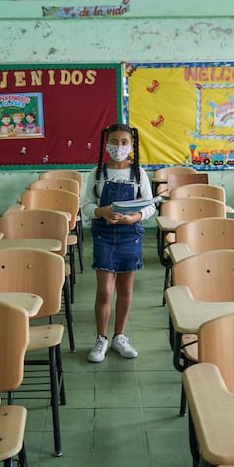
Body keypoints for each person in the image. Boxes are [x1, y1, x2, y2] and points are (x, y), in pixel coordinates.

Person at [81, 123, 155, 363]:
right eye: (114, 142)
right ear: (106, 144)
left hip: (129, 234)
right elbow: (86, 207)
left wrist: (134, 217)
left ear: (131, 146)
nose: (119, 147)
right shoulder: (97, 172)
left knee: (126, 290)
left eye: (124, 142)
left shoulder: (138, 173)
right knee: (104, 291)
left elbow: (149, 205)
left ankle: (119, 337)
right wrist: (101, 212)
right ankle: (101, 338)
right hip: (103, 234)